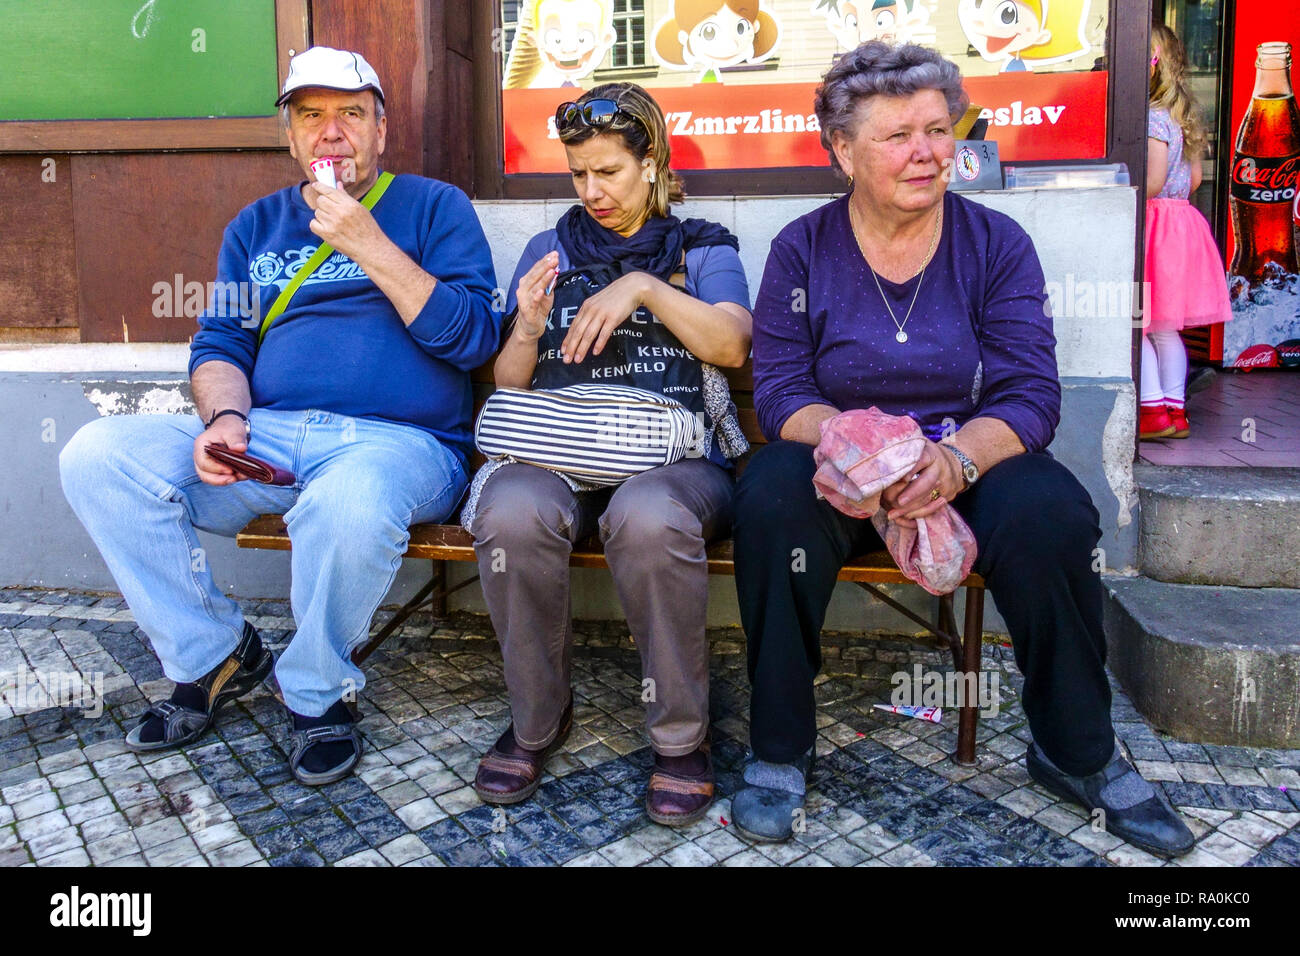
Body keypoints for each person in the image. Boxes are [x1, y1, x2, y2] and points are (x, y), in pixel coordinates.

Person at [729, 42, 1195, 858]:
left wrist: (954, 464)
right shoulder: (803, 249)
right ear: (841, 150)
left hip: (960, 455)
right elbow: (780, 395)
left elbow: (1029, 394)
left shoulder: (995, 243)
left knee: (1052, 513)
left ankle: (1074, 749)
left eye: (939, 130)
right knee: (770, 499)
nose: (928, 153)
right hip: (842, 463)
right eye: (898, 135)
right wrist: (857, 446)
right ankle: (779, 746)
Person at [58, 47, 499, 786]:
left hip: (401, 446)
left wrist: (367, 242)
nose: (332, 132)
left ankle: (318, 692)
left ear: (380, 130)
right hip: (268, 436)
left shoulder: (434, 207)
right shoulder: (255, 226)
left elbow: (473, 338)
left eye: (351, 113)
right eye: (311, 116)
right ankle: (214, 653)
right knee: (96, 454)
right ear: (290, 137)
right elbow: (221, 340)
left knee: (350, 502)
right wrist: (226, 418)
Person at [467, 82, 752, 827]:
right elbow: (508, 386)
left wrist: (642, 287)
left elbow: (731, 342)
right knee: (509, 508)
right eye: (577, 173)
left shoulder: (703, 247)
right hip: (563, 451)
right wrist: (526, 327)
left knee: (648, 515)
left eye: (610, 172)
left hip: (674, 463)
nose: (591, 191)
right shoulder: (547, 248)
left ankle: (681, 738)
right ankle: (537, 718)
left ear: (651, 161)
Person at [1140, 23, 1231, 440]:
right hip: (1182, 224)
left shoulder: (1152, 119)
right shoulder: (1182, 118)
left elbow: (1153, 182)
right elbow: (1194, 180)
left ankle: (1152, 411)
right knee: (1164, 329)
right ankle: (1176, 412)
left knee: (1133, 322)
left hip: (1155, 224)